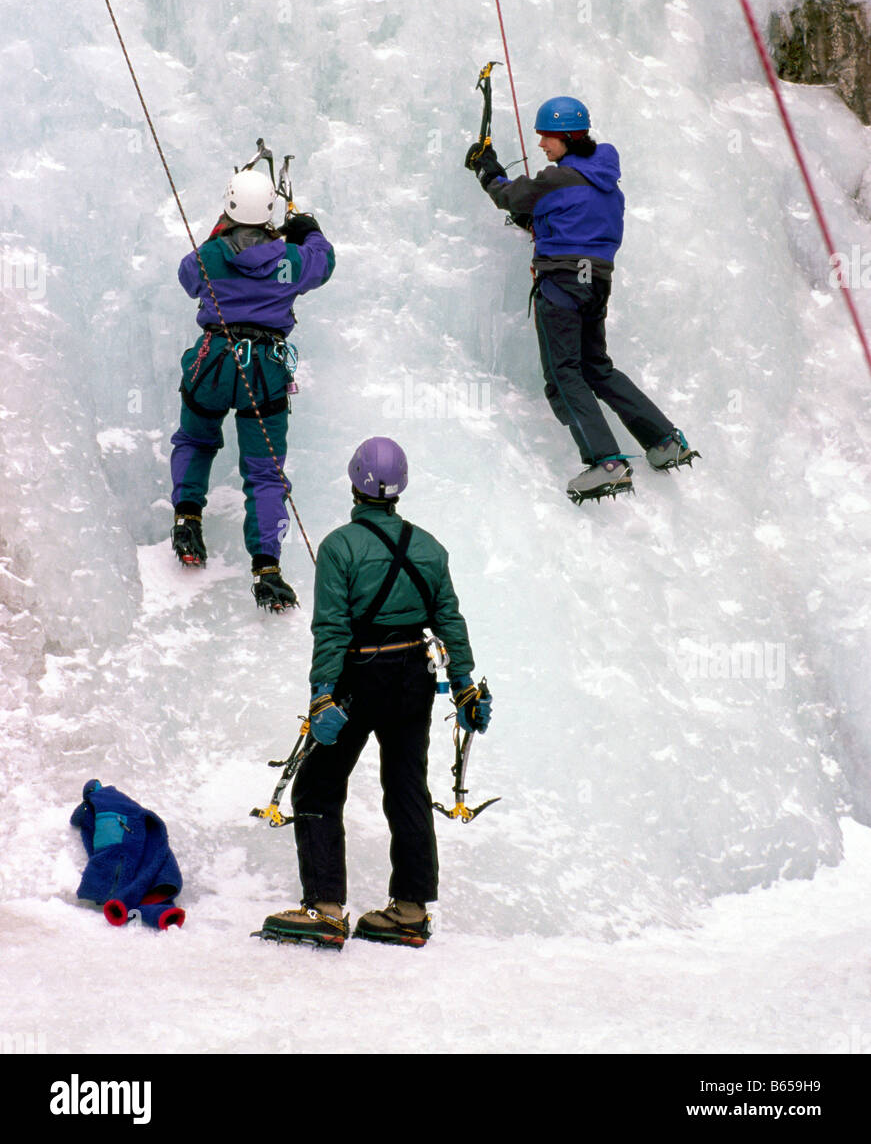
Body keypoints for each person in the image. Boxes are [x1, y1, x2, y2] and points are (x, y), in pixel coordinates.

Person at [259, 436, 490, 949]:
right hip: (413, 676)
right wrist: (466, 688)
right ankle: (410, 910)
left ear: (354, 481)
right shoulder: (429, 547)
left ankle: (324, 908)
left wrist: (322, 696)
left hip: (358, 677)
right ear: (400, 486)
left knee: (318, 786)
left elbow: (331, 630)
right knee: (407, 788)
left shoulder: (341, 546)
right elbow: (450, 621)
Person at [467, 95, 698, 503]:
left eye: (548, 138)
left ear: (570, 137)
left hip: (562, 285)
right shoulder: (606, 184)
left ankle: (605, 461)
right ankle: (664, 441)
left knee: (563, 375)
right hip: (596, 284)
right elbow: (571, 218)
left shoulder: (558, 179)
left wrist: (487, 171)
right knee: (597, 367)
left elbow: (511, 196)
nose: (541, 145)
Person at [170, 167, 335, 608]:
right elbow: (325, 262)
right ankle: (268, 569)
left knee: (196, 438)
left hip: (214, 362)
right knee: (263, 472)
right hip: (264, 370)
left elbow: (189, 280)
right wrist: (307, 230)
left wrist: (217, 234)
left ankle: (187, 518)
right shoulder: (292, 260)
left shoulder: (209, 256)